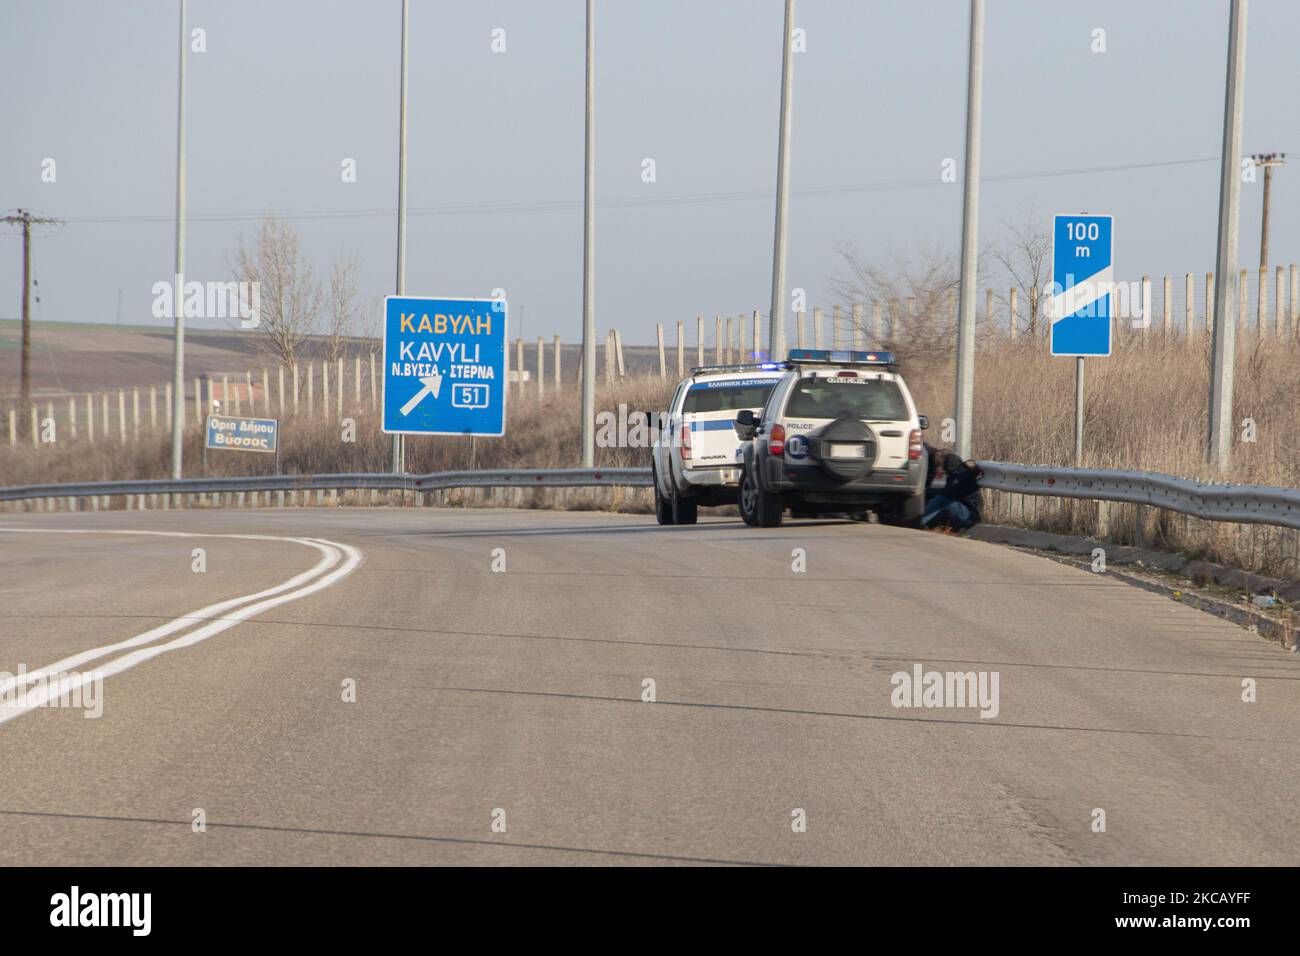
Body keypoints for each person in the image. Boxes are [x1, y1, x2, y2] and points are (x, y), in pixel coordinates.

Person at [919, 452, 983, 533]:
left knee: (940, 499)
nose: (943, 467)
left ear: (949, 464)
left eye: (944, 464)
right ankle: (929, 525)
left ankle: (919, 524)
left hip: (970, 517)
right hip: (963, 512)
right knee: (939, 501)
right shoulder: (956, 474)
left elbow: (950, 493)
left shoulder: (963, 476)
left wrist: (928, 491)